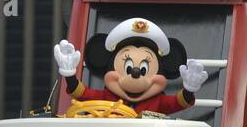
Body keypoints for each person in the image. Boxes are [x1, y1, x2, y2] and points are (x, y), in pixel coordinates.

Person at [53, 16, 208, 117]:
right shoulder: (106, 98)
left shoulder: (158, 102)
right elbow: (83, 94)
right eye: (128, 68)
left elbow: (178, 103)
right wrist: (69, 75)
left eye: (143, 70)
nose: (135, 72)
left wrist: (189, 90)